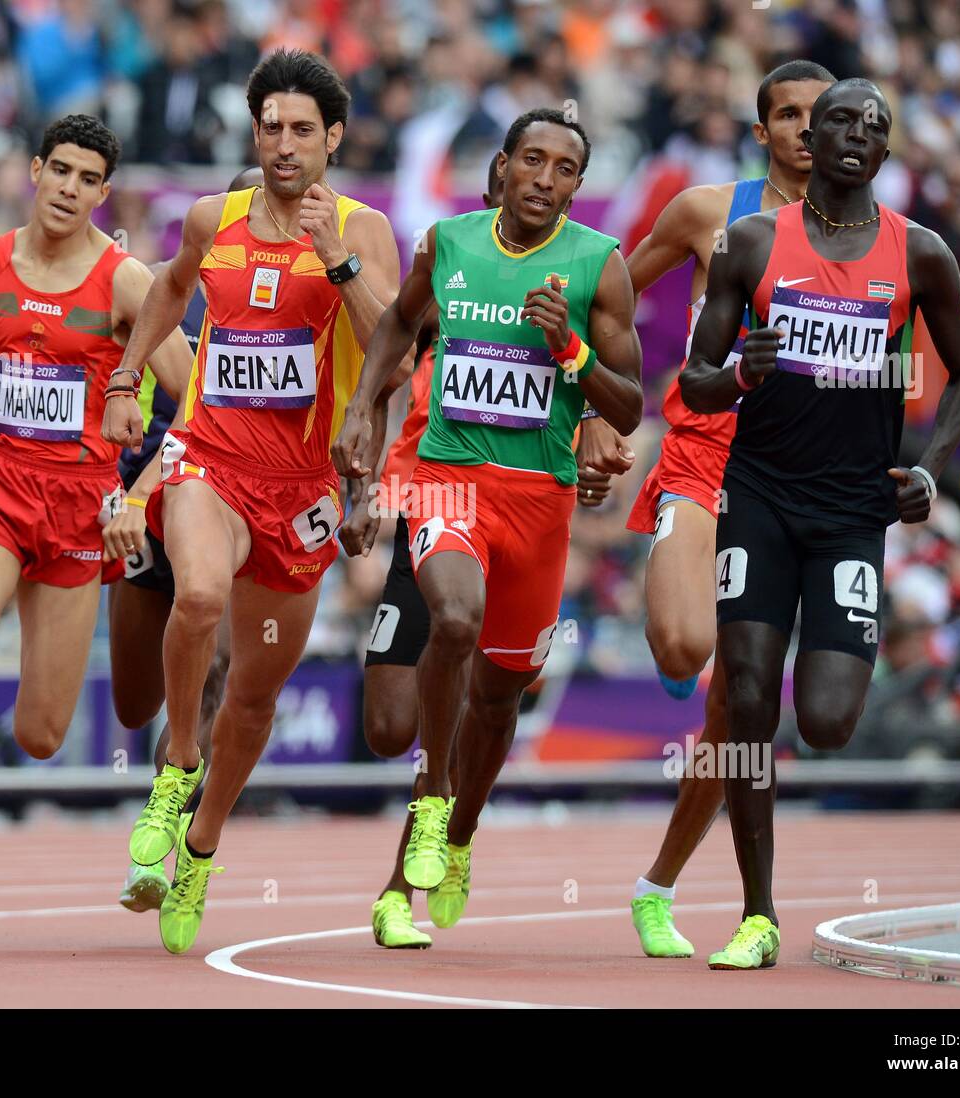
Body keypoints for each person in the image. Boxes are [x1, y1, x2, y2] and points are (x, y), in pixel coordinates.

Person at [680, 78, 960, 968]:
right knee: (745, 692)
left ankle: (763, 890)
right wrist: (740, 372)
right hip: (760, 497)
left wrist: (930, 469)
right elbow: (696, 381)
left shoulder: (920, 255)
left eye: (877, 127)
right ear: (809, 137)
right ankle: (758, 911)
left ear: (886, 155)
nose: (859, 134)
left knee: (825, 722)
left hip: (854, 511)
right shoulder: (749, 243)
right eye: (843, 120)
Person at [104, 50, 401, 955]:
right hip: (210, 458)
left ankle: (199, 845)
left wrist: (337, 259)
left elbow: (395, 344)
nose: (282, 142)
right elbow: (168, 287)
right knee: (196, 595)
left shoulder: (366, 227)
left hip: (303, 489)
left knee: (258, 700)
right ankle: (173, 767)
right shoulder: (211, 217)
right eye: (269, 125)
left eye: (301, 128)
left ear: (333, 137)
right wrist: (126, 378)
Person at [335, 108, 644, 927]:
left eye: (565, 168)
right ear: (502, 166)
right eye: (532, 161)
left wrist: (570, 352)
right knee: (456, 620)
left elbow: (631, 400)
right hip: (448, 481)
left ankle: (460, 833)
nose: (545, 178)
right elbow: (400, 319)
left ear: (579, 185)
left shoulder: (599, 267)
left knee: (500, 698)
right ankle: (434, 795)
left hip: (538, 502)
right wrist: (365, 406)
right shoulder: (448, 243)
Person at [0, 115, 195, 950]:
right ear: (34, 170)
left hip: (74, 519)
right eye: (57, 169)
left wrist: (138, 493)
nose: (67, 187)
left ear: (105, 191)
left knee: (40, 734)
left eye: (86, 177)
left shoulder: (127, 283)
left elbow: (198, 405)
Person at [583, 60, 836, 958]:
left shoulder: (871, 240)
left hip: (791, 478)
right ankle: (679, 647)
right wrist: (597, 404)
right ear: (761, 131)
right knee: (685, 647)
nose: (810, 130)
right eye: (790, 116)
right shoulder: (705, 212)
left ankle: (658, 888)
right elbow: (611, 285)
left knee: (735, 715)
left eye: (824, 115)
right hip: (700, 453)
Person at [110, 166, 265, 914]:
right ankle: (165, 769)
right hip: (151, 504)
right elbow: (160, 406)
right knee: (137, 702)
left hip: (237, 506)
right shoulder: (172, 292)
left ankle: (175, 837)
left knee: (218, 672)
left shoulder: (299, 296)